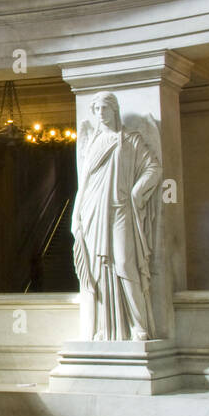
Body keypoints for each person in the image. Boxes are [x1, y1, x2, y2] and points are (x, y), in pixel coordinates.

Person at [71, 93, 162, 341]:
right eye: (96, 109)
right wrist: (75, 215)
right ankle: (105, 328)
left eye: (105, 108)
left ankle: (139, 324)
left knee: (123, 263)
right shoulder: (92, 144)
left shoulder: (131, 140)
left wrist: (137, 190)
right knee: (99, 269)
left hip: (120, 208)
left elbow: (154, 168)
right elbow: (85, 182)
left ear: (114, 110)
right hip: (92, 210)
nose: (100, 113)